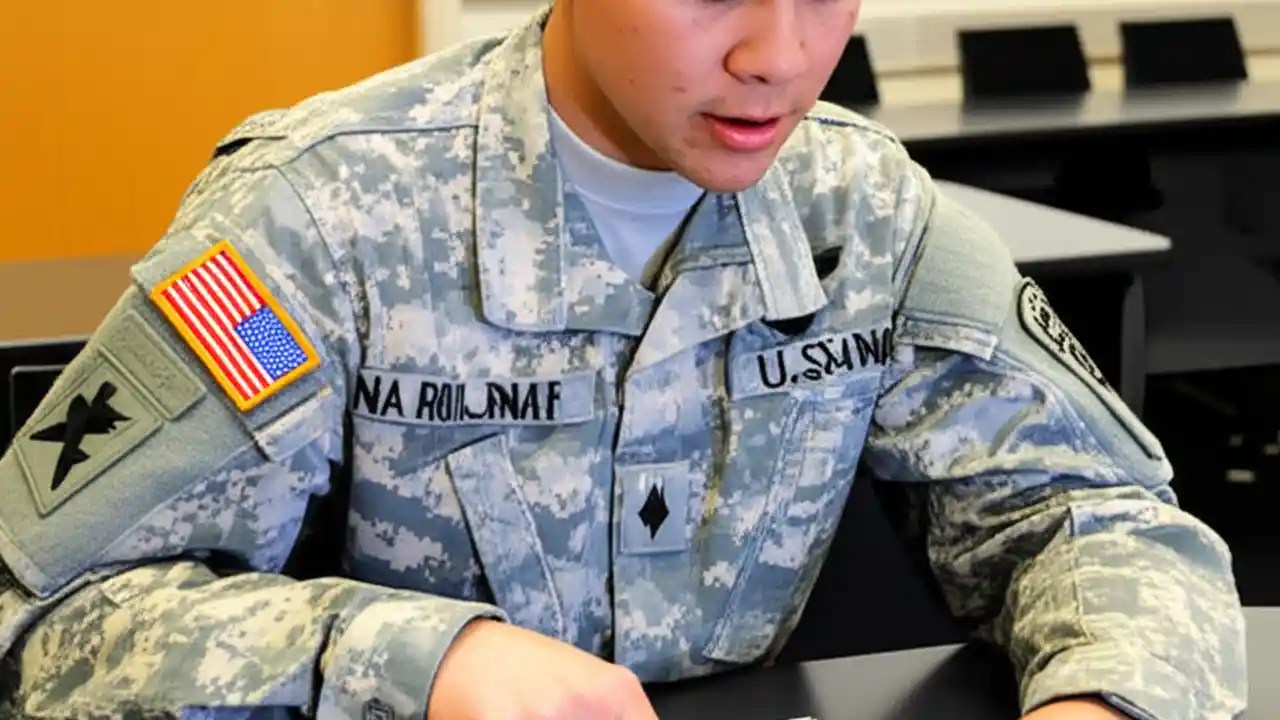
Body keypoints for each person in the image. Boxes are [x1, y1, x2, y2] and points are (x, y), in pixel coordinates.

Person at [0, 0, 1246, 718]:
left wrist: (1106, 697)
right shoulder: (319, 219)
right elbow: (37, 614)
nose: (777, 52)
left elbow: (1093, 510)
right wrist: (425, 664)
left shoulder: (864, 214)